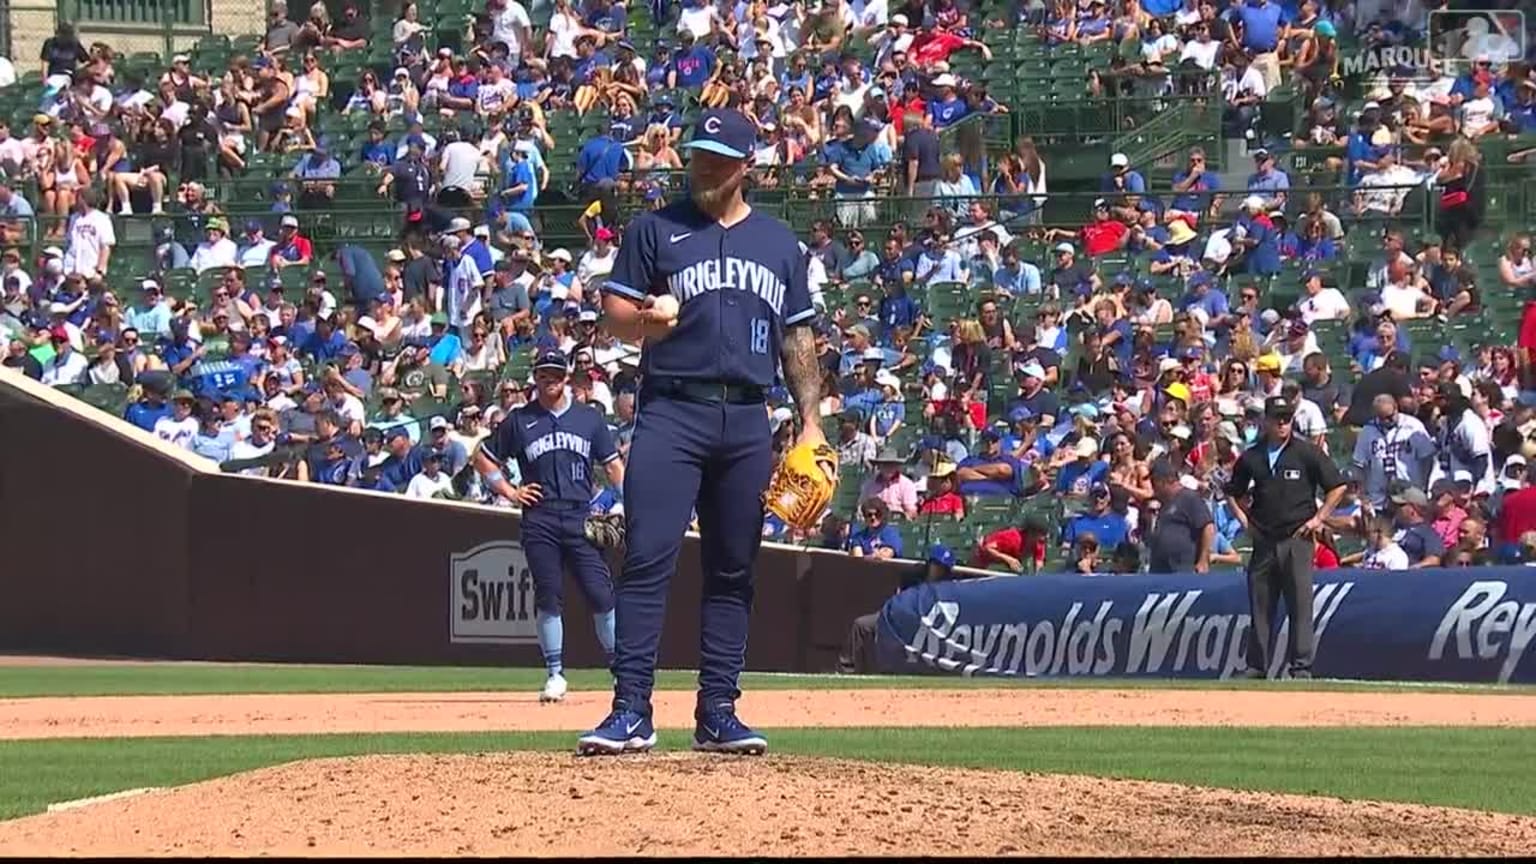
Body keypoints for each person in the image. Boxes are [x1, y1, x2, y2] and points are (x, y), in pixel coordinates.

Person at [583, 109, 822, 757]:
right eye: (698, 156)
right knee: (647, 560)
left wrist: (811, 424)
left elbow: (797, 339)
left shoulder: (779, 245)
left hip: (747, 419)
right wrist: (649, 323)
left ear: (748, 166)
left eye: (719, 159)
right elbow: (615, 317)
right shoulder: (655, 230)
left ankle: (718, 712)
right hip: (671, 412)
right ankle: (630, 711)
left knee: (734, 568)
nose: (705, 168)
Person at [473, 350, 626, 704]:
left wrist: (625, 502)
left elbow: (613, 465)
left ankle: (622, 671)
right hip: (539, 516)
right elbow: (483, 457)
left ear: (566, 377)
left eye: (556, 374)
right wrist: (511, 491)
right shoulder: (520, 420)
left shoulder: (588, 419)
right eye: (543, 374)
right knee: (548, 594)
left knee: (601, 593)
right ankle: (555, 673)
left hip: (580, 514)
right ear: (536, 379)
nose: (550, 380)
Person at [1223, 396, 1346, 680]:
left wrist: (1319, 518)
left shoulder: (1306, 453)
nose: (1282, 424)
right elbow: (1232, 490)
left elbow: (1337, 486)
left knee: (1300, 604)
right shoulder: (1252, 456)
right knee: (1261, 605)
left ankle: (1301, 666)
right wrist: (1245, 521)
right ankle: (1257, 665)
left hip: (1297, 537)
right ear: (1265, 421)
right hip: (1264, 539)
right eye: (1277, 418)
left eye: (1287, 419)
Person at [836, 544, 956, 675]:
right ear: (930, 564)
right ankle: (845, 671)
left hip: (927, 627)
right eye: (936, 565)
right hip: (900, 617)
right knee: (861, 624)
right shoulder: (913, 576)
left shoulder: (950, 586)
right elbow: (898, 600)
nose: (938, 570)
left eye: (942, 567)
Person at [1145, 460, 1215, 574]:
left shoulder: (1189, 498)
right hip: (1161, 570)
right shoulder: (1163, 503)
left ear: (1165, 481)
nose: (1152, 487)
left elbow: (1208, 527)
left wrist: (1203, 560)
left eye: (1154, 482)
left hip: (1183, 568)